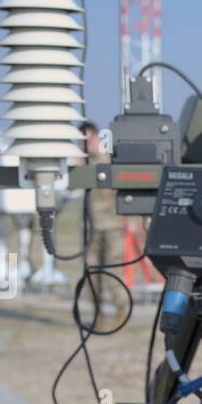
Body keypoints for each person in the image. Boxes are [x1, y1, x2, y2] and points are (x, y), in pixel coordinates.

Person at [79, 120, 128, 331]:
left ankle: (121, 311)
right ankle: (98, 314)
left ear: (97, 137)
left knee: (113, 270)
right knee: (91, 272)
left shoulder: (108, 160)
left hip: (112, 225)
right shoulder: (81, 164)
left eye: (88, 139)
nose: (85, 144)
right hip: (90, 227)